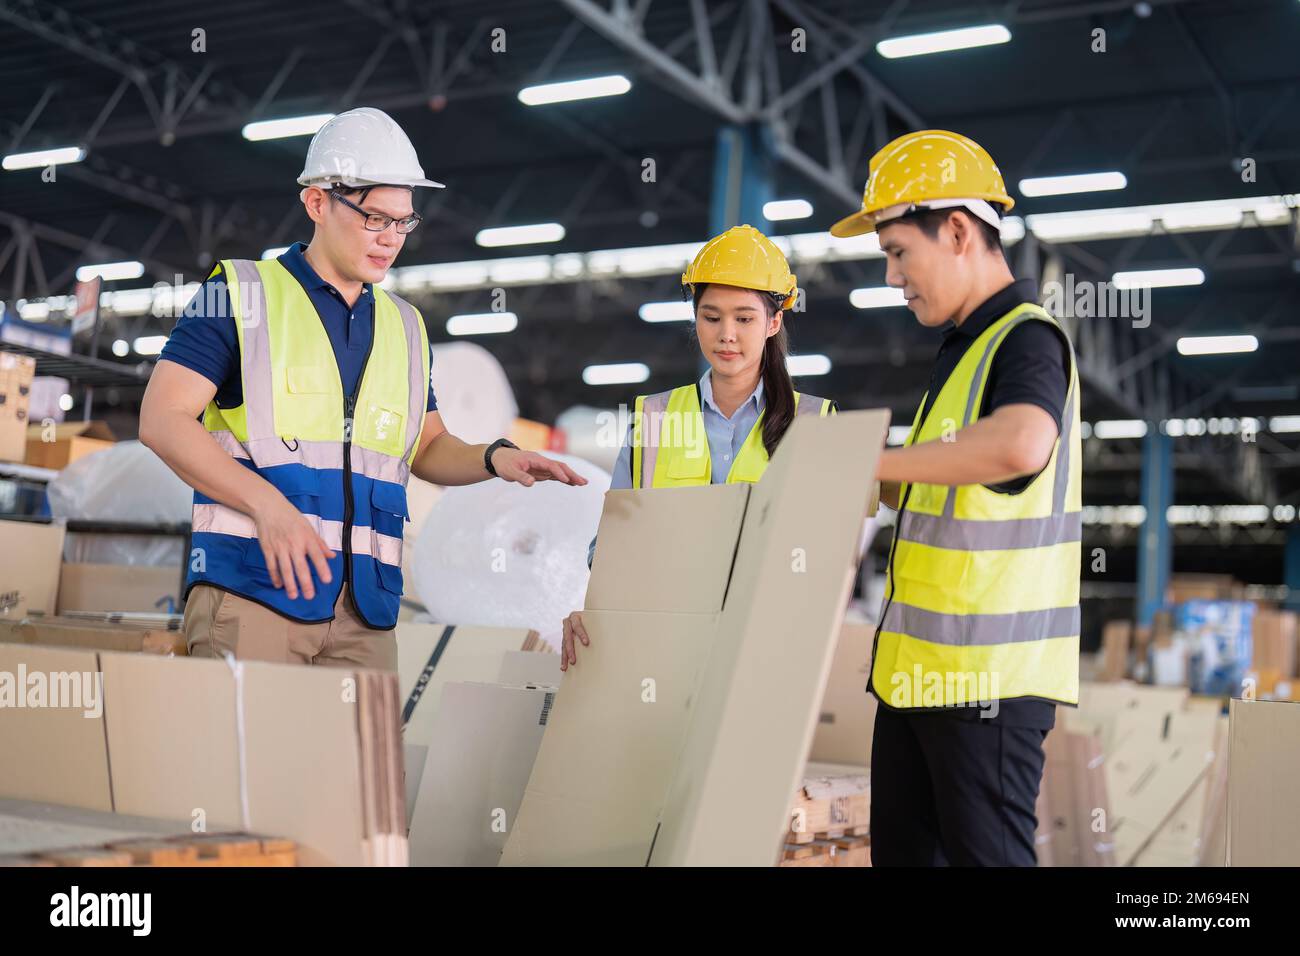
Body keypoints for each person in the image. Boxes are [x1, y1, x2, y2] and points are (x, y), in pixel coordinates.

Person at [140, 107, 585, 670]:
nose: (391, 239)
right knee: (255, 760)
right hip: (255, 592)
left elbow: (425, 446)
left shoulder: (406, 325)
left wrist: (497, 458)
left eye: (403, 222)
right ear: (317, 202)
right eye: (375, 218)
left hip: (366, 612)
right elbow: (162, 420)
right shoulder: (239, 292)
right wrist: (269, 508)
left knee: (364, 761)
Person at [830, 129, 1082, 866]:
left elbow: (1021, 444)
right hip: (917, 680)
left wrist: (878, 460)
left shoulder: (1025, 340)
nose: (891, 275)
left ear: (960, 231)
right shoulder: (964, 353)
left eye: (899, 251)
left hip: (985, 689)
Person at [559, 224, 836, 669]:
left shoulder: (814, 422)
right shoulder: (653, 417)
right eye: (711, 317)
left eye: (744, 318)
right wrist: (598, 613)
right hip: (664, 643)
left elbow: (826, 556)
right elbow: (611, 546)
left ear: (774, 321)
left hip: (768, 648)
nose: (726, 334)